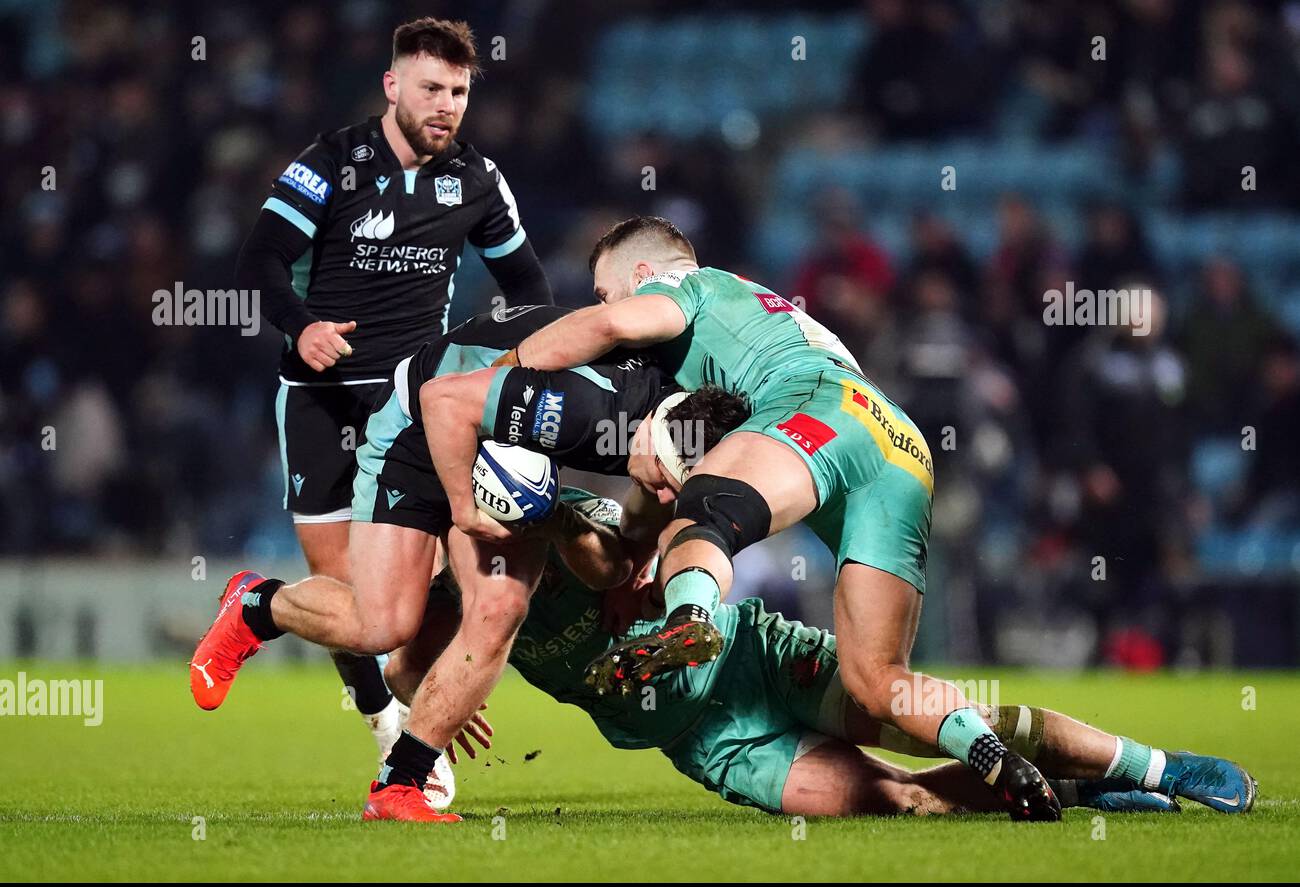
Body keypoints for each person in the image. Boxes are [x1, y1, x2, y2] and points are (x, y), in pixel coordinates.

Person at [462, 215, 1212, 822]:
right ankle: (1162, 769)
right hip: (895, 447)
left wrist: (502, 376)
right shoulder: (735, 344)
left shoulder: (688, 289)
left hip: (819, 409)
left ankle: (687, 619)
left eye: (605, 292)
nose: (603, 311)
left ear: (643, 276)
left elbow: (601, 333)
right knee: (882, 683)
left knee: (710, 510)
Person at [385, 485, 1255, 819]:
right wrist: (444, 697)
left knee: (963, 723)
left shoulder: (570, 528)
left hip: (752, 656)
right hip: (709, 741)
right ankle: (1082, 792)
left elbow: (612, 551)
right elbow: (400, 666)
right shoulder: (452, 596)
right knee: (905, 805)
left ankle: (1163, 767)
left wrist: (564, 518)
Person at [190, 304, 751, 821]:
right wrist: (462, 506)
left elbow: (636, 526)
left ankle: (397, 785)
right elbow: (444, 401)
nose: (657, 495)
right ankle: (256, 603)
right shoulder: (581, 412)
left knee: (501, 606)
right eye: (662, 480)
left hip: (493, 437)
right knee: (380, 625)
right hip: (419, 424)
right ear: (659, 438)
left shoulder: (669, 425)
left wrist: (636, 568)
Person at [233, 17, 551, 764]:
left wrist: (506, 367)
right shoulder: (331, 162)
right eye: (432, 87)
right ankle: (381, 716)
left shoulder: (476, 178)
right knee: (343, 595)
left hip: (410, 407)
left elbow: (528, 289)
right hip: (319, 397)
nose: (447, 104)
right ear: (393, 85)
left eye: (460, 91)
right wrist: (303, 326)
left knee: (410, 599)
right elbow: (261, 259)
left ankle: (418, 718)